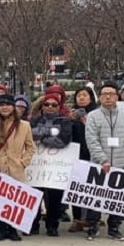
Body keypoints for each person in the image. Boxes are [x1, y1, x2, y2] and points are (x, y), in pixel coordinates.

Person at [85, 83, 124, 241]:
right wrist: (103, 159)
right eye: (104, 94)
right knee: (95, 197)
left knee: (118, 198)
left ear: (117, 96)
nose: (108, 97)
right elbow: (91, 140)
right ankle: (93, 226)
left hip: (121, 164)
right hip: (99, 165)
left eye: (111, 94)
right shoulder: (93, 116)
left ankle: (114, 227)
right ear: (100, 97)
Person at [0, 94, 36, 241]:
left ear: (13, 107)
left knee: (14, 200)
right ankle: (1, 228)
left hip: (16, 168)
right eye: (1, 105)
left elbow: (31, 147)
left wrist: (23, 162)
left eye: (8, 104)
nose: (5, 107)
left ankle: (12, 229)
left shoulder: (24, 126)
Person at [29, 92, 72, 236]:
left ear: (59, 107)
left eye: (54, 105)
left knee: (55, 197)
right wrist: (51, 132)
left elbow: (63, 141)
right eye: (47, 104)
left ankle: (52, 225)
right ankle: (32, 225)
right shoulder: (34, 120)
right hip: (36, 166)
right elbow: (29, 134)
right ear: (42, 106)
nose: (50, 107)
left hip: (56, 166)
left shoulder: (65, 121)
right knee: (34, 196)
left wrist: (41, 139)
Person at [68, 87, 99, 233]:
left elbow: (101, 134)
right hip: (75, 155)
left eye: (84, 95)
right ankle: (77, 218)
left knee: (92, 189)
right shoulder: (72, 114)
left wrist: (88, 124)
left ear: (91, 98)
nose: (81, 98)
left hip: (92, 155)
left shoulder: (97, 114)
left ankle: (92, 218)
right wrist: (70, 121)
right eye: (78, 95)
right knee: (76, 188)